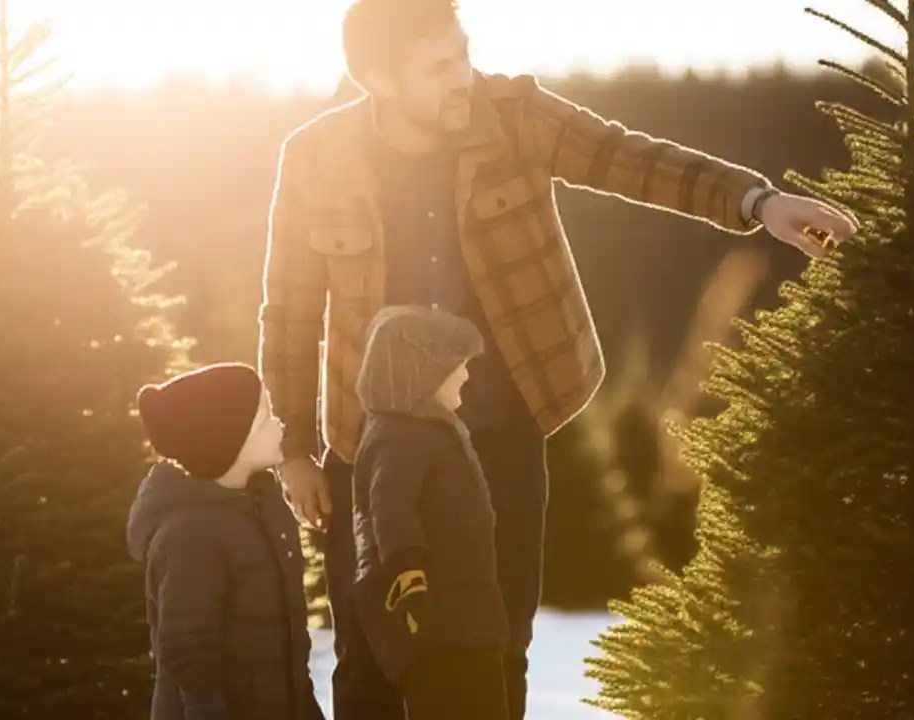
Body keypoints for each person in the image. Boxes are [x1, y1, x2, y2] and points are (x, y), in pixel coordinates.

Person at [257, 1, 860, 717]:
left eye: (464, 53)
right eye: (440, 67)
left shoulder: (513, 115)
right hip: (370, 447)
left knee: (498, 651)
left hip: (499, 432)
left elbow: (633, 160)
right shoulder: (315, 157)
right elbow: (290, 309)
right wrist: (295, 446)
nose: (464, 77)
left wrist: (758, 202)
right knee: (370, 664)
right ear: (379, 82)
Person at [127, 363, 324, 720]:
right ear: (227, 442)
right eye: (265, 420)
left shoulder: (263, 510)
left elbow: (285, 641)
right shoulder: (190, 533)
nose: (278, 425)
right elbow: (187, 645)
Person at [351, 305, 509, 719]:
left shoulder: (430, 429)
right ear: (420, 371)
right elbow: (391, 510)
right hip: (436, 624)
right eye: (458, 365)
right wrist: (409, 581)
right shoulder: (400, 437)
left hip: (467, 616)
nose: (467, 375)